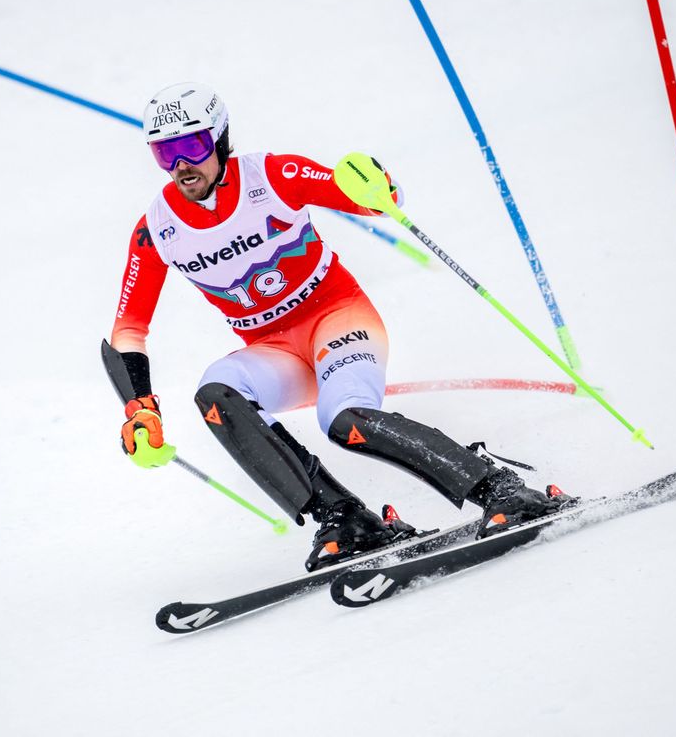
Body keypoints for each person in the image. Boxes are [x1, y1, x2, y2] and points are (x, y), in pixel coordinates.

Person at [107, 82, 569, 571]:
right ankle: (346, 519)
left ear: (219, 140)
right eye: (165, 152)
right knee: (215, 393)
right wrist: (140, 408)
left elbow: (371, 199)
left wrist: (375, 185)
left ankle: (501, 490)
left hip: (337, 318)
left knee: (343, 420)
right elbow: (127, 330)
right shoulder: (157, 228)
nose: (181, 165)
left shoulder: (272, 174)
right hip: (275, 351)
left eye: (191, 147)